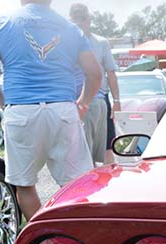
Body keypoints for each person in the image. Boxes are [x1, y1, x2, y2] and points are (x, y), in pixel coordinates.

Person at [0, 0, 102, 221]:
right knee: (76, 183)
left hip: (21, 108)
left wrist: (1, 98)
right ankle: (75, 235)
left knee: (24, 184)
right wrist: (83, 102)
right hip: (62, 108)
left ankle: (45, 239)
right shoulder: (69, 27)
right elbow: (94, 73)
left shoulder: (3, 22)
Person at [69, 3, 119, 165]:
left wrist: (116, 101)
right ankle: (92, 184)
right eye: (75, 21)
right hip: (75, 100)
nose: (79, 24)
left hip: (98, 99)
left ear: (88, 20)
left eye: (82, 20)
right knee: (83, 151)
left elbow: (110, 72)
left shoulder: (100, 42)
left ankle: (106, 182)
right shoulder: (66, 43)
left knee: (107, 147)